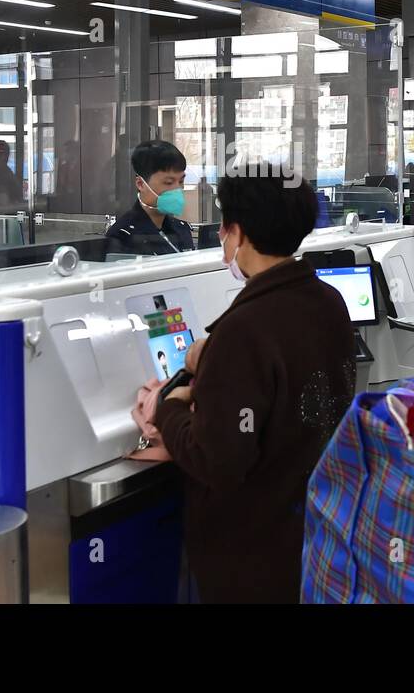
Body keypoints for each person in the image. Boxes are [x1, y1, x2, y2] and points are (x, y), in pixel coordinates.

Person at [155, 167, 355, 603]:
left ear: (237, 232)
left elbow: (218, 461)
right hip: (315, 536)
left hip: (253, 556)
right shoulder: (328, 301)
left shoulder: (244, 329)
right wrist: (216, 366)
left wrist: (167, 408)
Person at [105, 140, 194, 256]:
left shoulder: (182, 229)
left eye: (181, 181)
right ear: (141, 184)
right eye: (168, 182)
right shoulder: (122, 235)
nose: (177, 189)